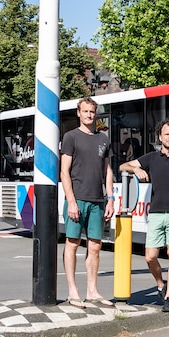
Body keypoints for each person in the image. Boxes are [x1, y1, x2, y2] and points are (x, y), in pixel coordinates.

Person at [120, 119, 169, 315]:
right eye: (167, 134)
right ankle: (161, 284)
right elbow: (122, 166)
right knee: (150, 257)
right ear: (160, 137)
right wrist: (136, 168)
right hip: (155, 214)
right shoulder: (152, 157)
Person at [59, 97, 114, 308]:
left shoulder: (103, 139)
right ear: (78, 113)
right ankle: (73, 292)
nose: (90, 115)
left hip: (97, 200)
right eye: (86, 111)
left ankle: (92, 291)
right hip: (77, 198)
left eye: (92, 112)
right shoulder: (71, 137)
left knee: (95, 246)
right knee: (72, 243)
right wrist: (71, 201)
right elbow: (64, 171)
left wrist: (109, 199)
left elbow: (107, 170)